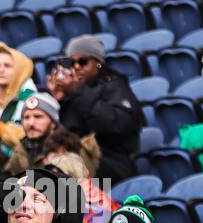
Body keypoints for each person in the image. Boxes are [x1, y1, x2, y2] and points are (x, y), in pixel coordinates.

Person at [50, 36, 141, 182]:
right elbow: (66, 133)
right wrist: (59, 100)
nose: (76, 67)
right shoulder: (72, 92)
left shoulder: (115, 86)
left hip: (112, 163)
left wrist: (78, 92)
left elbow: (116, 124)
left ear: (98, 63)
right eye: (72, 62)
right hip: (78, 160)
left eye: (83, 62)